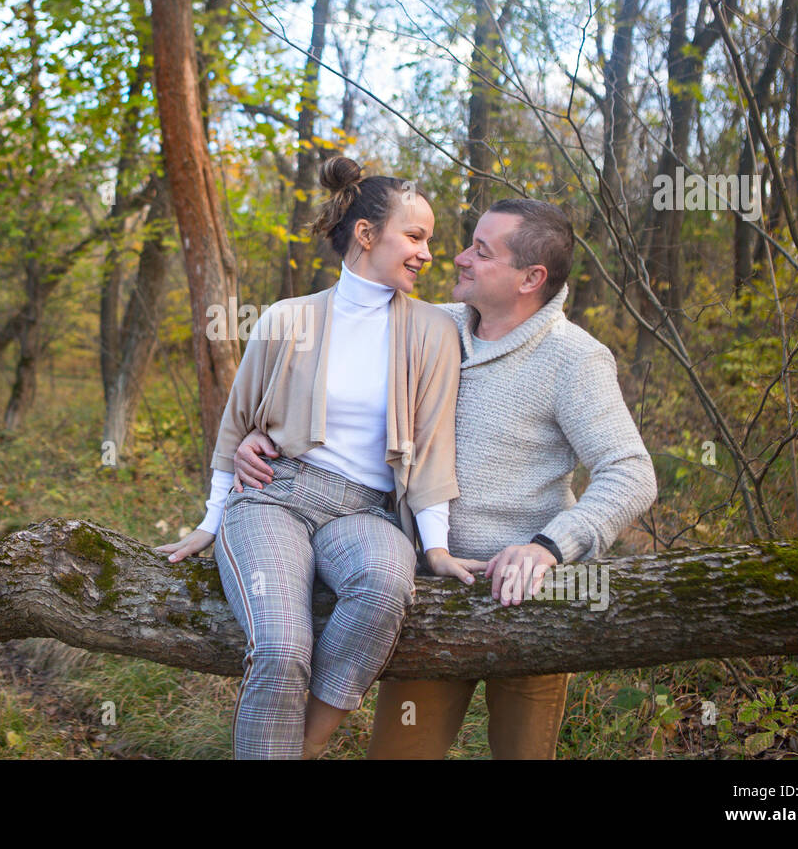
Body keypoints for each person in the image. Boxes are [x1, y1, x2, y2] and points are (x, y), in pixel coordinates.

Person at [234, 197, 657, 759]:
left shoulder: (574, 359)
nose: (457, 257)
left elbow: (630, 472)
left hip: (526, 598)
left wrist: (548, 547)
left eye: (481, 252)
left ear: (531, 277)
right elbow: (340, 386)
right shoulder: (432, 328)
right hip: (427, 590)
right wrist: (261, 435)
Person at [155, 156, 482, 760]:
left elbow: (434, 446)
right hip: (275, 497)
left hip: (367, 514)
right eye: (415, 236)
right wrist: (210, 519)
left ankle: (298, 750)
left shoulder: (435, 330)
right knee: (280, 645)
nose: (428, 253)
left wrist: (434, 546)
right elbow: (237, 426)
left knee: (386, 590)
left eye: (429, 240)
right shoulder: (288, 318)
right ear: (366, 234)